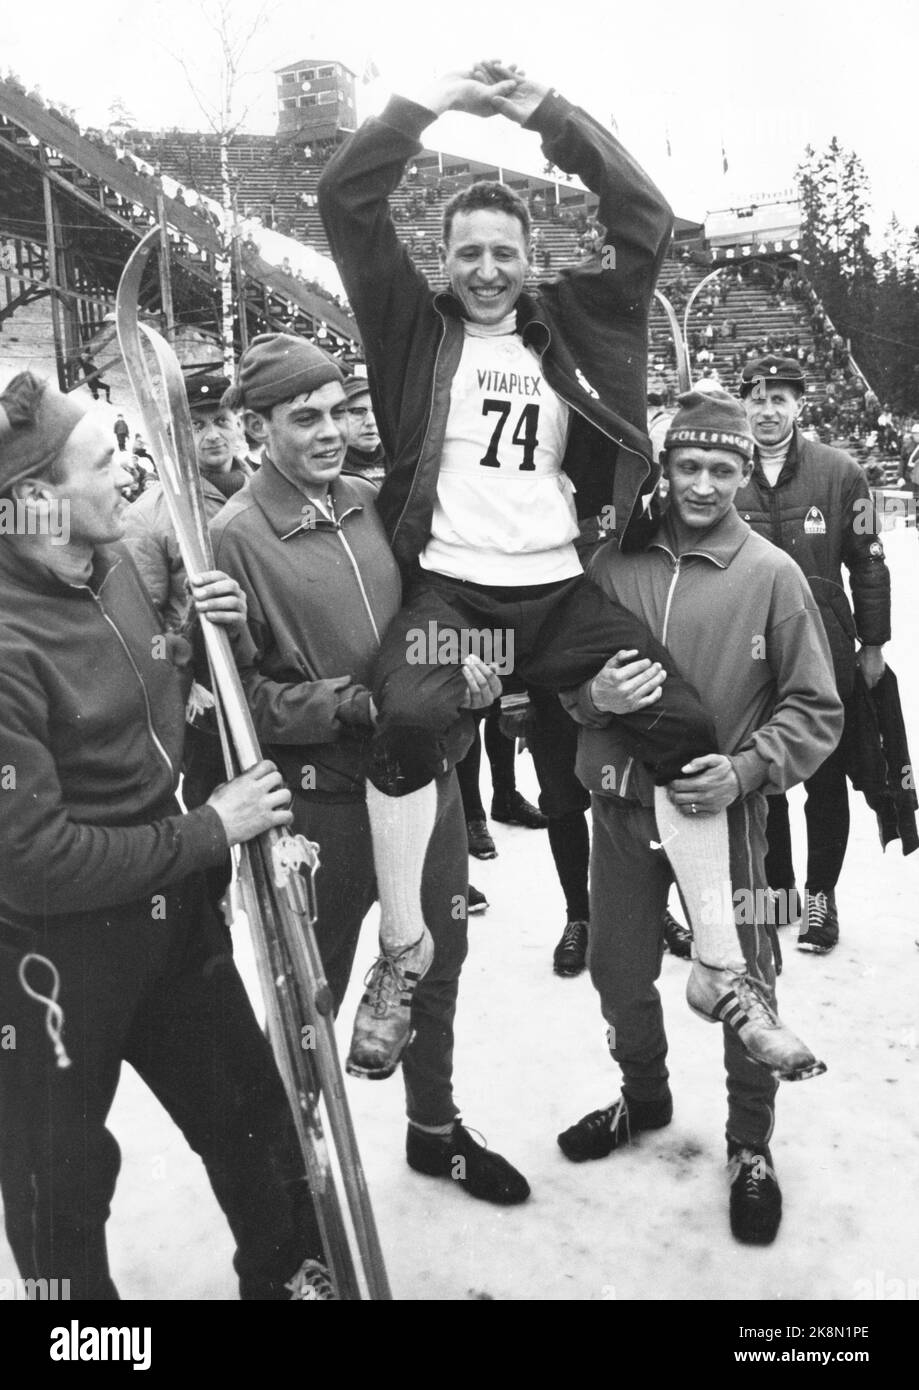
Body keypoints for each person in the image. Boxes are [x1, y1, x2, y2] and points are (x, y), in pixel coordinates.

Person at [318, 61, 825, 1080]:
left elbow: (646, 217)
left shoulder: (577, 319)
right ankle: (402, 952)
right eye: (468, 253)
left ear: (532, 257)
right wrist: (427, 105)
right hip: (455, 600)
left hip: (559, 598)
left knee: (682, 725)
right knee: (405, 721)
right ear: (442, 259)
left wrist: (549, 117)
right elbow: (345, 197)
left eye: (504, 252)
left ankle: (722, 967)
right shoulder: (412, 327)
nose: (487, 270)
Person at [0, 371, 335, 1300]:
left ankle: (288, 1275)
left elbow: (148, 690)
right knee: (60, 1182)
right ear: (34, 500)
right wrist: (209, 829)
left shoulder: (109, 562)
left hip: (170, 912)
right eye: (102, 463)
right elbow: (32, 861)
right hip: (55, 954)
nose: (130, 473)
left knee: (253, 1120)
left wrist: (207, 634)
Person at [212, 334, 530, 1206]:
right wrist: (344, 705)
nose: (329, 432)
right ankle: (297, 1167)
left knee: (434, 961)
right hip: (327, 807)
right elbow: (240, 699)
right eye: (302, 418)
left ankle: (435, 1132)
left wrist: (470, 677)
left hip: (426, 783)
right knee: (308, 992)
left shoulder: (371, 501)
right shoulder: (235, 537)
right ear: (257, 428)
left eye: (337, 413)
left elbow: (435, 618)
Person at [557, 390, 843, 1245]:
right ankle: (642, 1097)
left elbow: (814, 707)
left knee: (744, 980)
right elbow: (563, 683)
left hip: (724, 819)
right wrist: (592, 698)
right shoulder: (612, 565)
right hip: (620, 809)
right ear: (664, 469)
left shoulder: (770, 573)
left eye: (723, 468)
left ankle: (749, 1143)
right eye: (688, 465)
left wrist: (748, 769)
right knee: (616, 972)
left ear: (745, 471)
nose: (705, 484)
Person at [736, 356, 892, 953]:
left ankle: (821, 897)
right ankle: (777, 891)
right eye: (757, 398)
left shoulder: (841, 471)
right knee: (765, 777)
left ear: (800, 404)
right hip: (750, 657)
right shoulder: (727, 469)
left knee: (825, 781)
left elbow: (869, 561)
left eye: (779, 398)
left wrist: (872, 644)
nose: (767, 410)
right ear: (743, 404)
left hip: (824, 652)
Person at [121, 374, 251, 631]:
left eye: (221, 421)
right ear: (174, 437)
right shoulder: (149, 514)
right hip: (209, 651)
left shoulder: (268, 493)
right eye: (196, 425)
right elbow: (143, 620)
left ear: (238, 425)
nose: (212, 435)